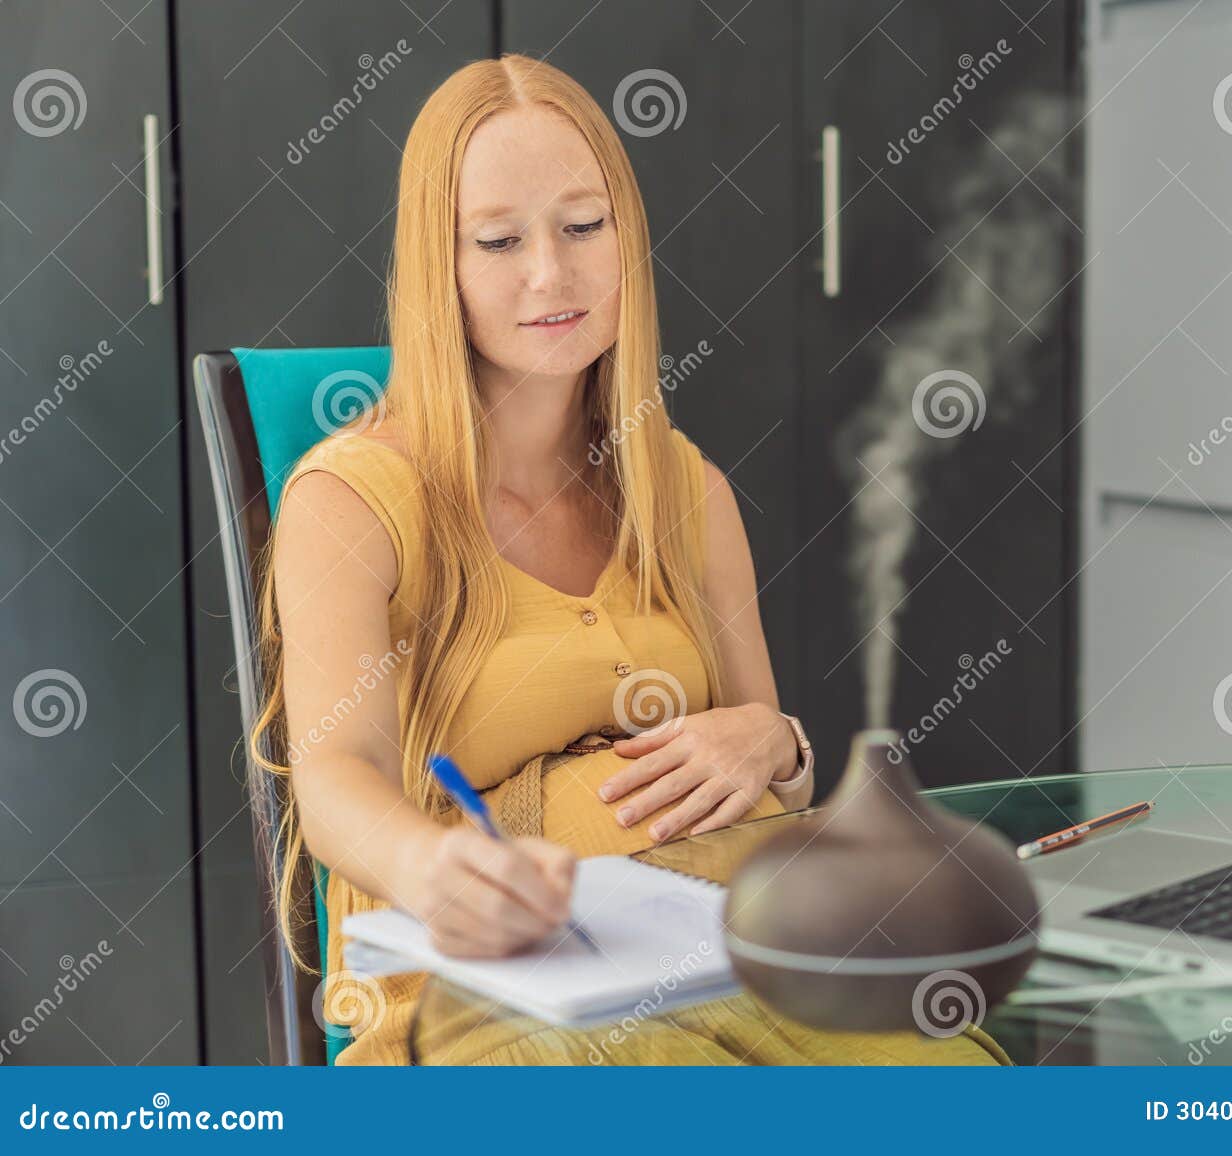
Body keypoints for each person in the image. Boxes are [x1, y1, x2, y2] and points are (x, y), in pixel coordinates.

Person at [254, 53, 1005, 1067]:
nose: (551, 276)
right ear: (441, 264)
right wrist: (432, 868)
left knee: (950, 1062)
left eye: (582, 225)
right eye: (497, 240)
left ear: (626, 239)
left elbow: (778, 777)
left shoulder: (684, 490)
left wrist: (774, 741)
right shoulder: (349, 500)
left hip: (725, 952)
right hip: (480, 997)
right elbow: (337, 775)